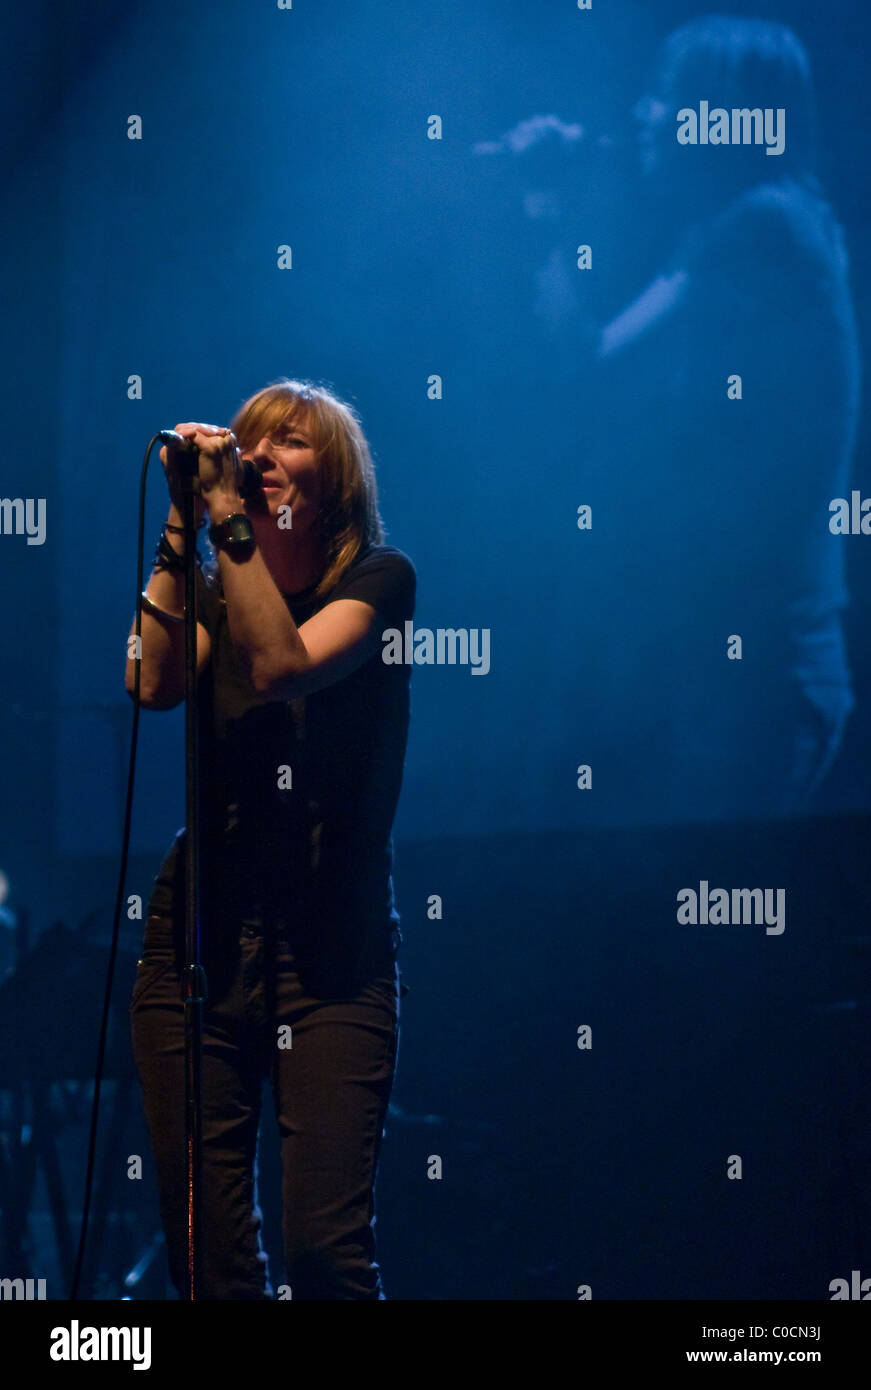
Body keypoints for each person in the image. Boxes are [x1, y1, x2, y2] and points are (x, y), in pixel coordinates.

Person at [124, 378, 416, 1299]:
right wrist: (182, 522)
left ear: (331, 481)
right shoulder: (210, 588)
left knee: (324, 1256)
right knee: (209, 1260)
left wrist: (225, 525)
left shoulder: (379, 582)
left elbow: (281, 666)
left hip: (330, 953)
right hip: (198, 940)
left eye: (287, 442)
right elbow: (150, 683)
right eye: (249, 441)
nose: (257, 457)